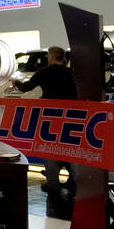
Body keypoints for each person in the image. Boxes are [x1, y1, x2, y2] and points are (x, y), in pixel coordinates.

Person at [14, 46, 78, 193]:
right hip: (72, 116)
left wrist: (16, 82)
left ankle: (53, 183)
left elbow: (26, 88)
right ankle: (76, 182)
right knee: (72, 150)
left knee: (51, 150)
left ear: (51, 57)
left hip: (50, 116)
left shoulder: (44, 72)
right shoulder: (71, 72)